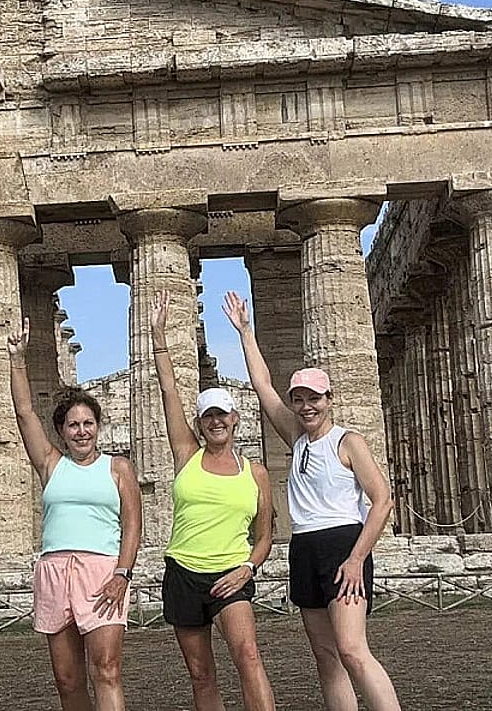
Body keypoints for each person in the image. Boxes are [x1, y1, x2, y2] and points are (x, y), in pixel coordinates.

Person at [224, 290, 402, 711]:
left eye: (314, 398)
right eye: (299, 399)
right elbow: (263, 387)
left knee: (352, 650)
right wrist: (245, 331)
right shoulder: (297, 437)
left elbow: (382, 501)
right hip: (304, 546)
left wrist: (356, 559)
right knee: (326, 658)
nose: (306, 406)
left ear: (329, 400)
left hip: (343, 545)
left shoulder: (348, 442)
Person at [150, 290, 277, 711]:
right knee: (201, 674)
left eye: (223, 414)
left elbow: (264, 537)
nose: (217, 421)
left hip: (231, 573)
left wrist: (247, 569)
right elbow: (169, 389)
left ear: (235, 418)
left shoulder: (256, 473)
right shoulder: (186, 453)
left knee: (249, 657)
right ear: (200, 423)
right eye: (209, 416)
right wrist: (159, 337)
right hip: (183, 572)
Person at [8, 317, 143, 711]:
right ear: (62, 431)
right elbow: (24, 412)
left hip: (101, 572)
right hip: (54, 571)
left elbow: (133, 524)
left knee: (107, 671)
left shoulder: (118, 467)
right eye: (73, 425)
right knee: (67, 681)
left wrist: (122, 573)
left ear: (98, 427)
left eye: (88, 423)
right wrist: (17, 360)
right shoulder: (51, 464)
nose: (82, 431)